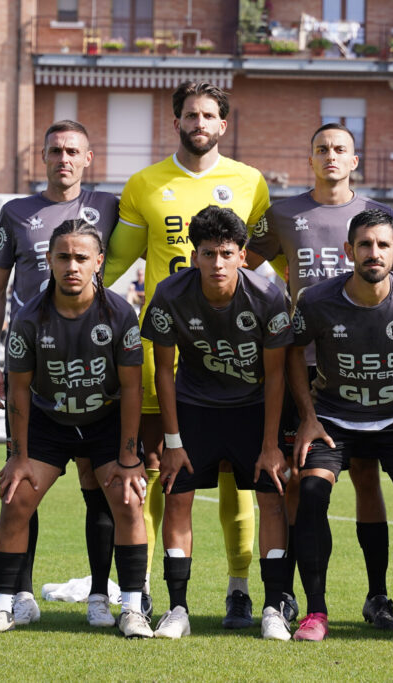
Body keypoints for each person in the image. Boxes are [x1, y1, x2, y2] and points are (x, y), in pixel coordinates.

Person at [104, 81, 270, 626]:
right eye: (190, 114)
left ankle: (239, 588)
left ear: (224, 124)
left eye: (209, 115)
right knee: (159, 476)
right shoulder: (144, 184)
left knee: (237, 482)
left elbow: (268, 267)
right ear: (175, 121)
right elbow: (114, 264)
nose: (199, 122)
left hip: (234, 359)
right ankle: (145, 588)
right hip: (165, 358)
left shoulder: (251, 183)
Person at [245, 123, 393, 631]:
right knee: (299, 479)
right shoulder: (285, 214)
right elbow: (244, 265)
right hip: (302, 363)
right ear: (309, 157)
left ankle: (377, 595)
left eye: (340, 150)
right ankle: (291, 595)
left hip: (362, 365)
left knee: (366, 478)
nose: (331, 156)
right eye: (322, 149)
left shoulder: (377, 217)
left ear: (355, 159)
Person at [0, 220, 152, 638]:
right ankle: (1, 607)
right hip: (49, 422)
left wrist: (128, 455)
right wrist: (17, 455)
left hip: (104, 421)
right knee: (16, 501)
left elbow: (132, 388)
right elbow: (18, 392)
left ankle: (134, 610)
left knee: (127, 500)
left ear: (98, 262)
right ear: (48, 260)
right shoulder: (29, 317)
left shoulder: (120, 314)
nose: (72, 265)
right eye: (63, 256)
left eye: (81, 257)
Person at [0, 120, 121, 628]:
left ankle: (101, 596)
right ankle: (19, 595)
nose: (63, 158)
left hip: (94, 367)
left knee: (97, 483)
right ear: (42, 157)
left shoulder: (110, 207)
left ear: (89, 157)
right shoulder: (16, 213)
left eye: (72, 151)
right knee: (23, 481)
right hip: (33, 370)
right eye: (54, 150)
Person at [286, 209, 393, 643]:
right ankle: (315, 612)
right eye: (364, 244)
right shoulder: (317, 300)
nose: (372, 253)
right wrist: (308, 417)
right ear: (348, 251)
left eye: (381, 245)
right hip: (333, 420)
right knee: (313, 492)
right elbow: (293, 355)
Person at [141, 206, 293, 640]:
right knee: (178, 497)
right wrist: (172, 442)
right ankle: (177, 609)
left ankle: (273, 607)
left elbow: (277, 375)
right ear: (195, 256)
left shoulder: (268, 296)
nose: (218, 263)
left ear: (243, 255)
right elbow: (162, 372)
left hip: (253, 410)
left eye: (227, 253)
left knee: (272, 499)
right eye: (208, 253)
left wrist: (269, 444)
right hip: (195, 409)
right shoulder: (171, 293)